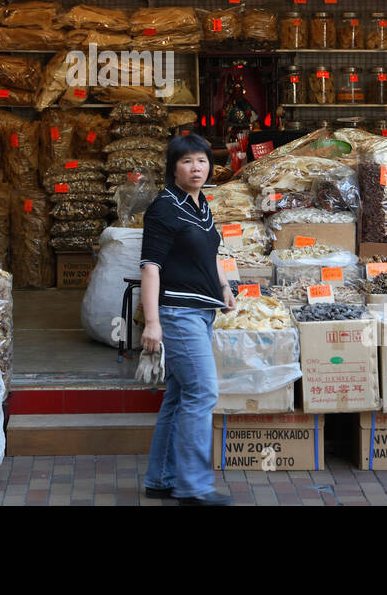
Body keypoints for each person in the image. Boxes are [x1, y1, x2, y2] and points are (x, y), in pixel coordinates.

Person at [138, 133, 235, 505]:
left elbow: (210, 252)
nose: (197, 168)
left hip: (201, 310)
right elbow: (150, 267)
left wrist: (223, 286)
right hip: (177, 313)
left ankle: (160, 479)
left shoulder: (200, 203)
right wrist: (152, 322)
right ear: (173, 168)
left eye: (202, 160)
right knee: (203, 392)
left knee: (179, 398)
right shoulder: (164, 208)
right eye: (187, 161)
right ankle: (193, 487)